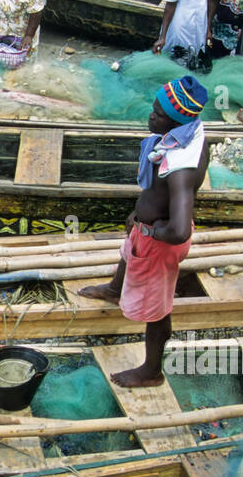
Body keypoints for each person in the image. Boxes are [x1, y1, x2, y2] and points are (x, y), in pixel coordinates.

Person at [78, 77, 210, 388]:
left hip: (159, 241)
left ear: (177, 119)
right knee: (129, 253)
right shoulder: (190, 131)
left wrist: (152, 229)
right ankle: (114, 289)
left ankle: (152, 371)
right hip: (148, 227)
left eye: (158, 114)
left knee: (157, 310)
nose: (151, 117)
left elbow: (178, 230)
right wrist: (140, 217)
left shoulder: (180, 168)